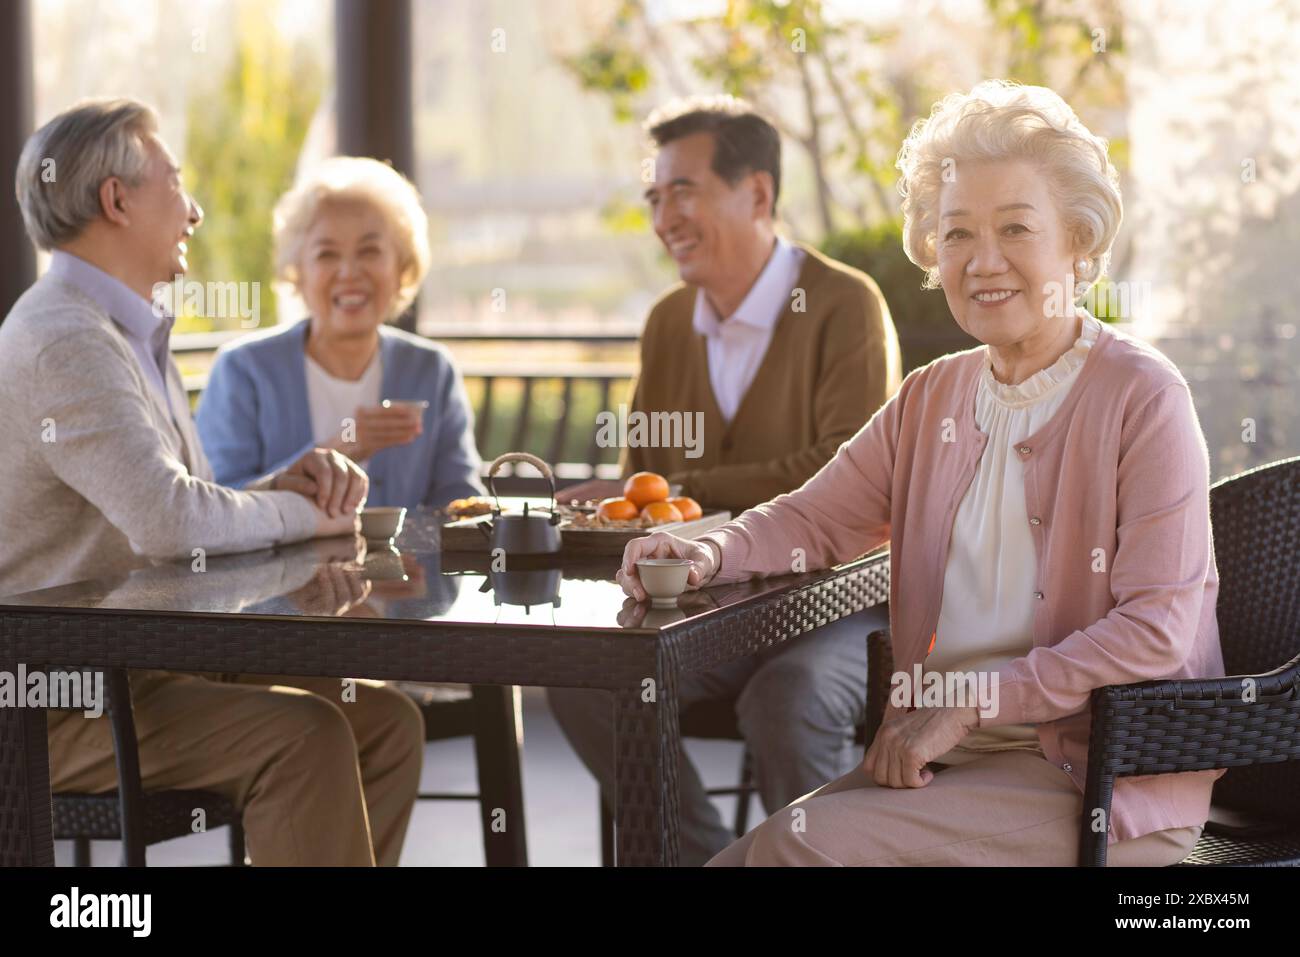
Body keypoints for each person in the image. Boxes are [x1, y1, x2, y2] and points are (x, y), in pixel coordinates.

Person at [620, 80, 1226, 867]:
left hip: (1102, 786)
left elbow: (1155, 628)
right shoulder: (932, 395)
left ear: (1077, 242)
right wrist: (709, 551)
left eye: (1016, 228)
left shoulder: (1143, 396)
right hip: (948, 761)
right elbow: (814, 518)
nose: (983, 260)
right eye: (956, 234)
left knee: (786, 856)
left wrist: (969, 705)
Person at [0, 98, 424, 866]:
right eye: (176, 182)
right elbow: (170, 523)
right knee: (308, 735)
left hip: (143, 662)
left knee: (385, 722)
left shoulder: (127, 332)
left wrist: (276, 485)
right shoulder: (62, 339)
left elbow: (160, 512)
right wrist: (304, 514)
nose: (193, 210)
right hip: (53, 700)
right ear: (116, 199)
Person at [548, 96, 901, 865]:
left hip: (837, 601)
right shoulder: (669, 321)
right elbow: (644, 478)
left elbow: (842, 473)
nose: (663, 214)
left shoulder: (844, 306)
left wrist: (689, 492)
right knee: (582, 677)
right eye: (654, 195)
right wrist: (619, 496)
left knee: (790, 698)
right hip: (711, 604)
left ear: (760, 195)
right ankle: (702, 859)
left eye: (684, 189)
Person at [196, 156, 482, 509]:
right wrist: (341, 447)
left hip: (407, 567)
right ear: (297, 272)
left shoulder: (431, 370)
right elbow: (216, 504)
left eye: (370, 251)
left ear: (402, 268)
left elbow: (461, 501)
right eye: (327, 254)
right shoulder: (243, 369)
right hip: (281, 567)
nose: (349, 272)